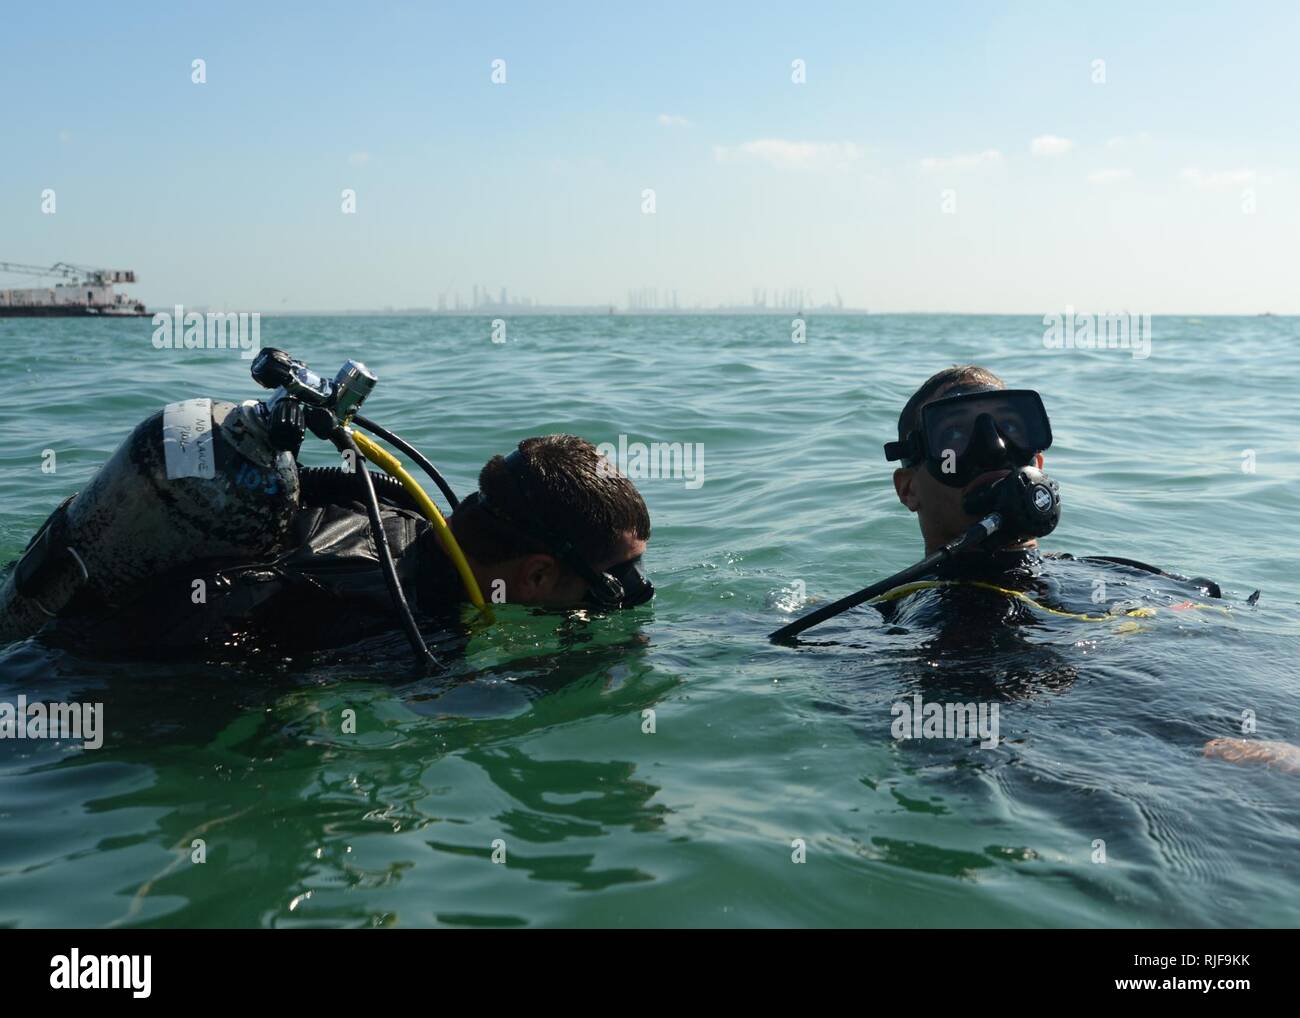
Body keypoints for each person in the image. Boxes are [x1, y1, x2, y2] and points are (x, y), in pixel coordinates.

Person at [12, 433, 652, 659]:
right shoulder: (398, 630)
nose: (628, 594)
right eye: (613, 580)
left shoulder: (397, 509)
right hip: (60, 679)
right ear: (537, 575)